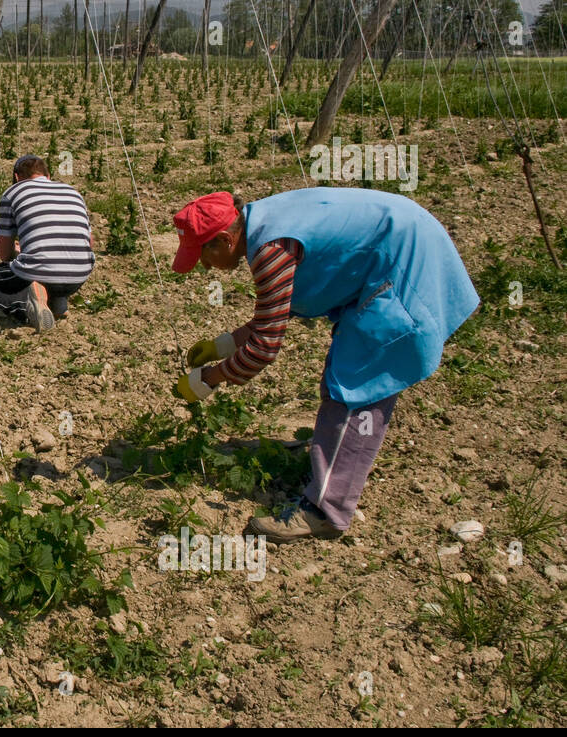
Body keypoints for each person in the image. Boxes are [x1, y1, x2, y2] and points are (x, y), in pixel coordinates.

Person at [169, 188, 479, 543]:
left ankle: (325, 510)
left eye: (204, 256)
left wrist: (208, 379)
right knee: (349, 372)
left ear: (224, 239)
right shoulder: (263, 220)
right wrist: (223, 344)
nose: (206, 267)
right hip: (406, 240)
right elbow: (275, 311)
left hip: (403, 263)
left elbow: (264, 350)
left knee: (354, 385)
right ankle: (337, 463)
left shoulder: (271, 250)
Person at [0, 154, 95, 332]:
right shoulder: (73, 192)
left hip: (40, 270)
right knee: (49, 272)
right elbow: (89, 243)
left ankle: (26, 306)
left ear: (17, 178)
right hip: (79, 275)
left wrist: (18, 252)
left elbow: (4, 253)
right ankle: (57, 302)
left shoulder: (13, 192)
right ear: (48, 176)